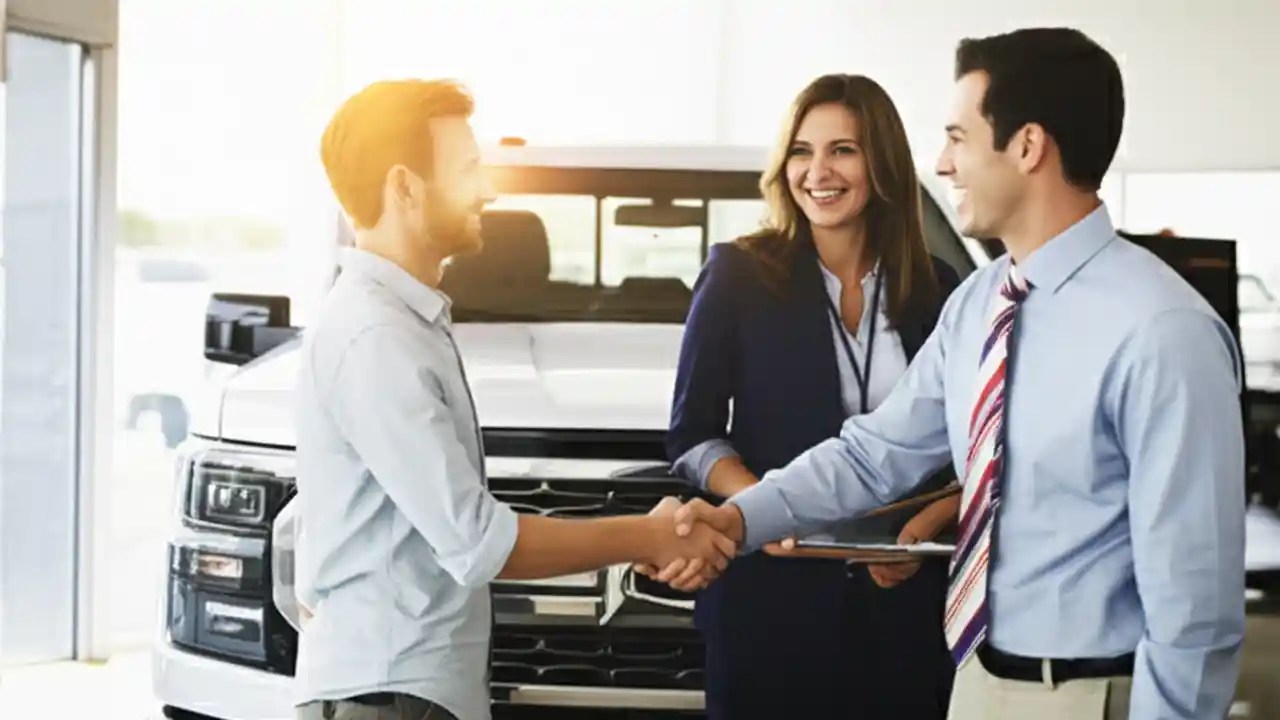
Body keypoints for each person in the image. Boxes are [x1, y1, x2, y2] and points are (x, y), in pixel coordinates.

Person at [663, 28, 1246, 720]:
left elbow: (1194, 611)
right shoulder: (979, 303)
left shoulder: (1162, 330)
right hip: (971, 680)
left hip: (1091, 696)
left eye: (958, 138)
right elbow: (873, 455)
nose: (941, 163)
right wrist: (735, 519)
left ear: (1027, 147)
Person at [291, 79, 735, 720]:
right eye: (469, 170)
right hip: (389, 694)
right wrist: (650, 533)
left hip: (402, 689)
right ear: (406, 187)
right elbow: (479, 545)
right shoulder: (376, 336)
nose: (489, 190)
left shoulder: (400, 322)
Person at [663, 73, 961, 719]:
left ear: (881, 162)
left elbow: (970, 446)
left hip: (904, 603)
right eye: (802, 150)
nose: (818, 171)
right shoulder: (738, 274)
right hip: (771, 600)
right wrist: (765, 511)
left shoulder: (936, 288)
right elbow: (693, 437)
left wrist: (920, 532)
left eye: (843, 150)